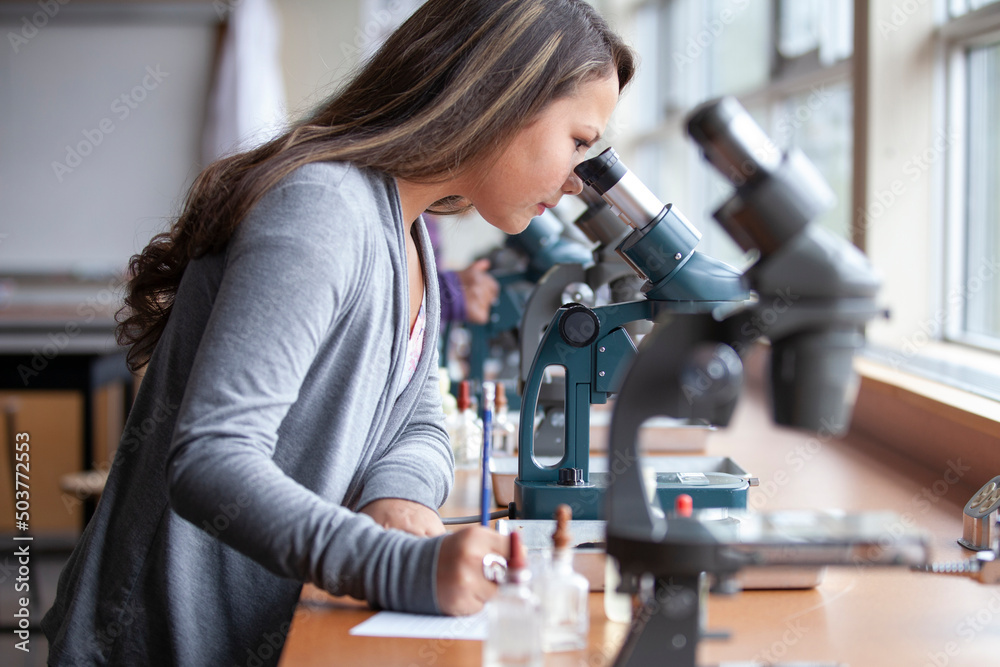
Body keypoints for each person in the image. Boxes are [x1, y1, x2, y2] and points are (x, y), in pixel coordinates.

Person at [41, 0, 635, 664]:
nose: (582, 180)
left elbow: (419, 419)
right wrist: (397, 566)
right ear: (503, 97)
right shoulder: (325, 210)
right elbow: (211, 458)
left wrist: (397, 494)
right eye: (579, 141)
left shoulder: (408, 235)